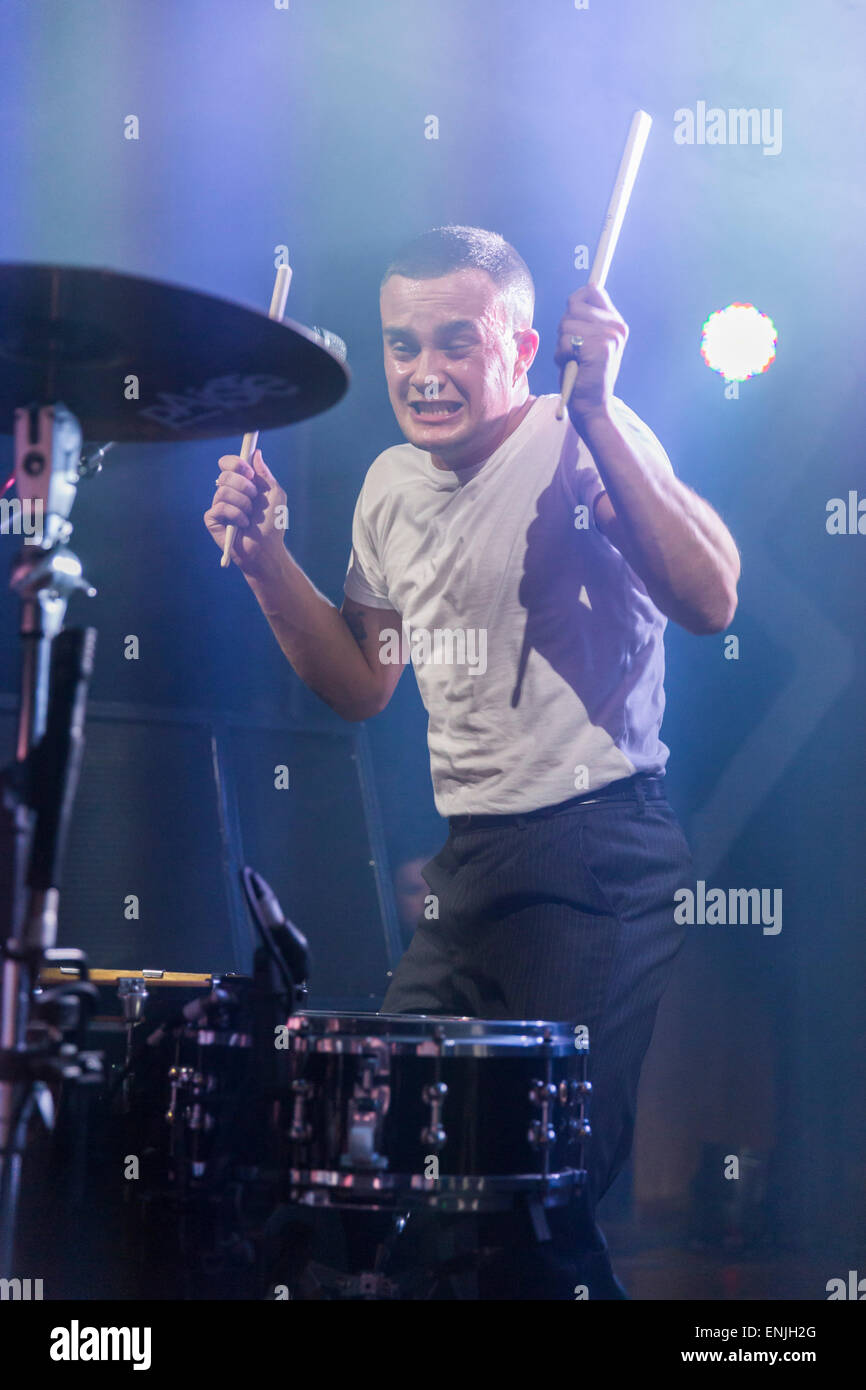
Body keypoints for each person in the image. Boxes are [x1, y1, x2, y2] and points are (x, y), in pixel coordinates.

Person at [205, 225, 740, 1298]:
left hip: (594, 857)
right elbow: (363, 681)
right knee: (369, 1163)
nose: (423, 371)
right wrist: (264, 559)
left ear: (520, 345)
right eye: (402, 346)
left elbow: (710, 595)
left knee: (523, 1199)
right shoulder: (389, 486)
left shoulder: (574, 432)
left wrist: (592, 413)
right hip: (467, 869)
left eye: (455, 340)